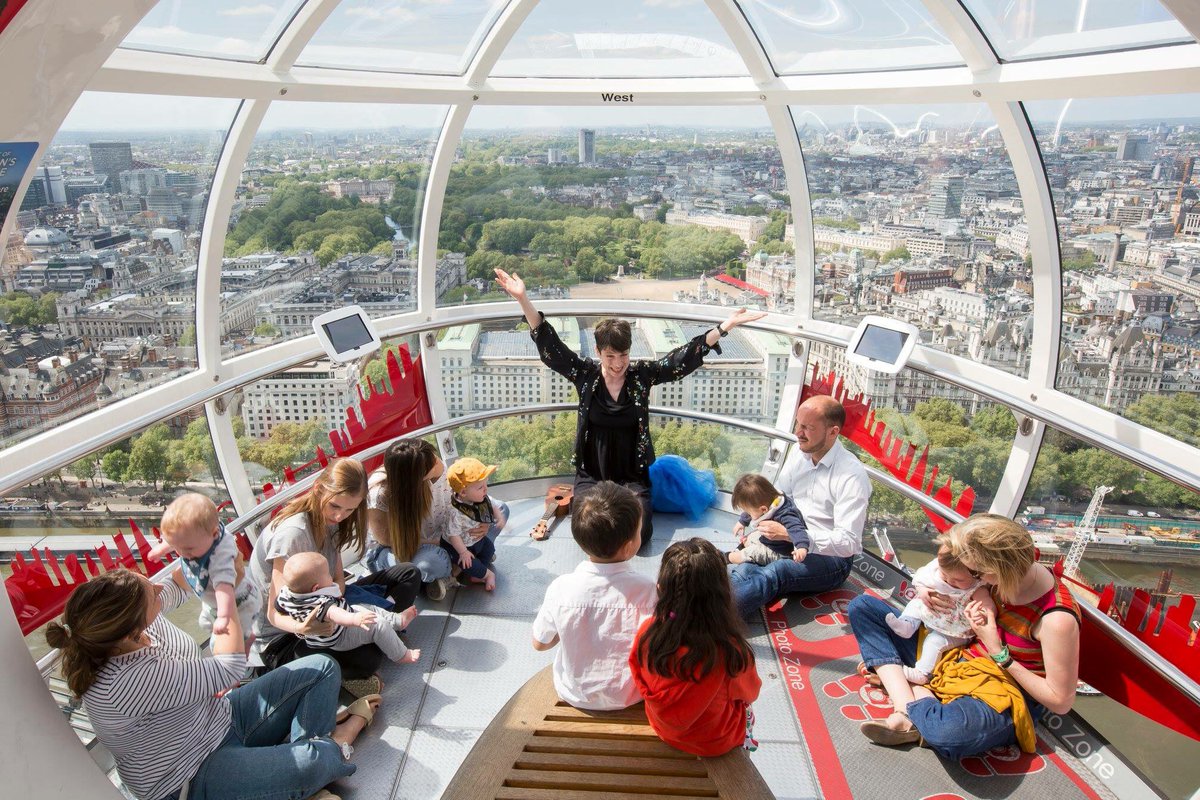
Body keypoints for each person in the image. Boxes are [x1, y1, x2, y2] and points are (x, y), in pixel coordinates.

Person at [46, 569, 378, 800]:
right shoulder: (126, 681)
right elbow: (231, 666)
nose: (158, 588)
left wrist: (208, 552)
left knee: (320, 668)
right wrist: (228, 595)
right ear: (130, 628)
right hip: (189, 774)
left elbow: (178, 582)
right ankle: (339, 740)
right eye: (151, 592)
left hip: (219, 718)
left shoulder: (134, 624)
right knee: (310, 766)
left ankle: (300, 771)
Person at [494, 267, 764, 547]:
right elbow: (550, 346)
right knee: (584, 528)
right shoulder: (585, 375)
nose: (618, 363)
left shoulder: (640, 377)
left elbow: (678, 361)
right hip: (592, 475)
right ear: (598, 352)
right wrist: (522, 299)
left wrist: (723, 328)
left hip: (632, 477)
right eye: (610, 356)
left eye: (623, 354)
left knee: (641, 532)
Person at [848, 513, 1082, 759]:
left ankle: (900, 683)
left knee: (950, 735)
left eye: (976, 573)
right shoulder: (997, 579)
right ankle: (908, 706)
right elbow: (947, 572)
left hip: (998, 686)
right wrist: (926, 590)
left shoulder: (1056, 619)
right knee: (863, 608)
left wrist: (998, 652)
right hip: (951, 654)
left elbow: (1060, 701)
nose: (971, 579)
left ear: (998, 569)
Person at [249, 457, 421, 679]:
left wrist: (344, 609)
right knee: (368, 659)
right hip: (289, 634)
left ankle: (383, 629)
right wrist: (306, 627)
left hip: (328, 603)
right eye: (335, 506)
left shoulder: (330, 522)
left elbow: (339, 580)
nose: (340, 516)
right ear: (319, 489)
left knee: (409, 574)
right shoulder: (293, 534)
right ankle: (385, 630)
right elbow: (276, 612)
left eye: (350, 510)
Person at [729, 395, 872, 618]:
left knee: (777, 572)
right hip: (790, 542)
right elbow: (779, 497)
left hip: (830, 558)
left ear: (833, 432)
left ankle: (712, 621)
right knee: (748, 565)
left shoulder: (851, 476)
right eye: (798, 423)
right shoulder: (800, 451)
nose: (798, 432)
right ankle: (698, 604)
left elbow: (849, 544)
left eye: (807, 427)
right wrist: (759, 526)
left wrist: (791, 535)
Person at [630, 538, 762, 757]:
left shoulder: (648, 632)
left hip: (662, 727)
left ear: (661, 590)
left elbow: (638, 672)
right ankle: (745, 745)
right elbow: (751, 692)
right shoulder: (730, 652)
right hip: (714, 742)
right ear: (724, 595)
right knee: (747, 712)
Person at [531, 481, 657, 710]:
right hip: (631, 695)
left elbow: (540, 643)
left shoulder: (561, 588)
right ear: (630, 547)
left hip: (575, 694)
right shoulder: (647, 590)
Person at [364, 439, 492, 601]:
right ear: (418, 477)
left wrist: (483, 522)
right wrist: (442, 542)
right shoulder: (380, 493)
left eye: (434, 456)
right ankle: (462, 564)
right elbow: (388, 541)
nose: (438, 462)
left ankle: (455, 567)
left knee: (500, 509)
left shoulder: (435, 468)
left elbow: (463, 501)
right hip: (405, 547)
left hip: (443, 533)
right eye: (432, 463)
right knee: (431, 563)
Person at [275, 551, 422, 666]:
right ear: (316, 588)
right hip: (340, 636)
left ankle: (397, 620)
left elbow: (278, 605)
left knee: (367, 608)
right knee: (378, 625)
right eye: (327, 575)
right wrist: (354, 619)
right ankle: (401, 655)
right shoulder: (319, 602)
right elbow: (335, 613)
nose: (330, 576)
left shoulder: (287, 594)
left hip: (343, 617)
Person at [149, 492, 261, 641]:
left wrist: (223, 616)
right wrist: (161, 549)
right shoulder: (201, 534)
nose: (182, 553)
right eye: (176, 547)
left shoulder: (220, 557)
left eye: (188, 549)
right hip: (213, 602)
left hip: (238, 603)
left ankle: (248, 642)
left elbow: (224, 588)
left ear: (214, 534)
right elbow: (178, 538)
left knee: (237, 636)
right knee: (205, 623)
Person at [883, 537, 988, 685]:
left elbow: (987, 606)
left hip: (954, 628)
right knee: (916, 604)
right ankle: (907, 624)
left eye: (958, 580)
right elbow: (921, 577)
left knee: (934, 642)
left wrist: (980, 613)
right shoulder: (938, 567)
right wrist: (923, 589)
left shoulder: (977, 586)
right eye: (944, 575)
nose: (950, 582)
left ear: (977, 573)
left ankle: (922, 673)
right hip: (930, 612)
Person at [444, 456, 506, 591]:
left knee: (489, 549)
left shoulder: (481, 498)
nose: (485, 490)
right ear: (463, 492)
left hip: (477, 540)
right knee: (468, 563)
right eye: (480, 487)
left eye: (486, 485)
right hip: (459, 546)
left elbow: (493, 506)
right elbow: (453, 535)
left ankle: (478, 574)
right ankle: (488, 574)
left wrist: (500, 518)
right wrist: (463, 552)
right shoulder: (455, 512)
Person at [728, 473, 809, 566]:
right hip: (772, 541)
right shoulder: (771, 499)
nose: (748, 514)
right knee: (749, 538)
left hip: (782, 552)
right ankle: (742, 547)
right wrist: (742, 522)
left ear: (763, 510)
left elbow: (797, 530)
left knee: (752, 552)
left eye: (749, 513)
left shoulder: (786, 514)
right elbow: (753, 509)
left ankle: (727, 557)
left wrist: (801, 548)